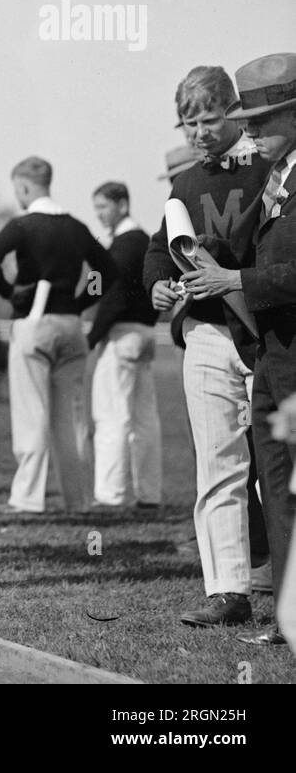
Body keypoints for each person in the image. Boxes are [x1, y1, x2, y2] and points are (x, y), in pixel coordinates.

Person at [144, 65, 269, 630]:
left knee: (277, 464)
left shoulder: (269, 166)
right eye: (187, 122)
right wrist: (158, 284)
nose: (197, 131)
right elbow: (156, 248)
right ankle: (226, 591)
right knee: (218, 465)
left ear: (235, 114)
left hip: (268, 333)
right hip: (207, 334)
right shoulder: (187, 182)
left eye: (209, 119)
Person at [185, 53, 296, 646]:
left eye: (263, 117)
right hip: (272, 355)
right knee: (274, 487)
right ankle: (285, 614)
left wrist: (236, 282)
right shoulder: (273, 176)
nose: (250, 128)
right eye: (246, 116)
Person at [0, 157, 118, 515]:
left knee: (32, 415)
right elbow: (108, 271)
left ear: (23, 186)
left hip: (34, 320)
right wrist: (81, 299)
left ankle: (27, 499)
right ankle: (78, 500)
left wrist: (11, 294)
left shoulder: (23, 225)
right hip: (72, 324)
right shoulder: (77, 227)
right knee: (68, 420)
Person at [88, 181, 162, 510]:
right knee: (145, 419)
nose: (100, 215)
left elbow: (113, 298)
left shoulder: (123, 245)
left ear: (122, 204)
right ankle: (149, 494)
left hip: (122, 335)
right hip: (145, 332)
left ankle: (110, 493)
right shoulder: (144, 241)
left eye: (103, 207)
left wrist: (91, 338)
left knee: (111, 416)